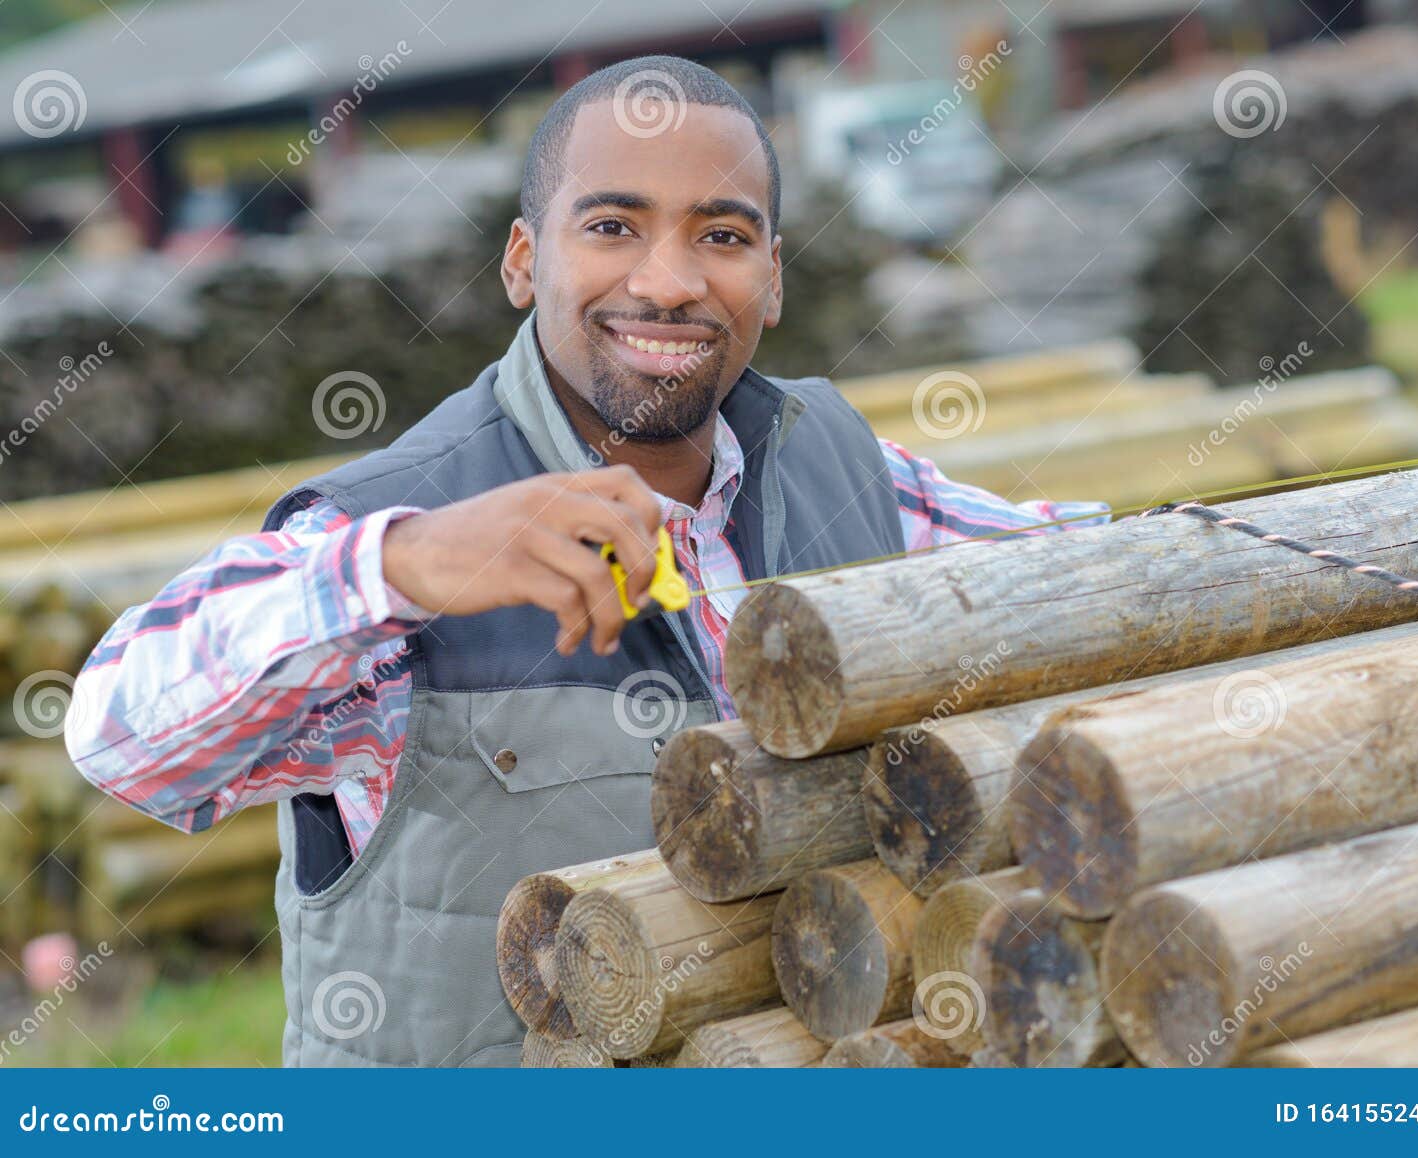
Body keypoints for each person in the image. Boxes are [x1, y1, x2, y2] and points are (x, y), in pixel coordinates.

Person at [63, 55, 1107, 1067]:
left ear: (774, 279)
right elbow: (120, 737)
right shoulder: (391, 536)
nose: (668, 281)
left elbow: (1094, 576)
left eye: (723, 235)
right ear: (523, 260)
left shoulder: (847, 471)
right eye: (612, 226)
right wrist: (409, 566)